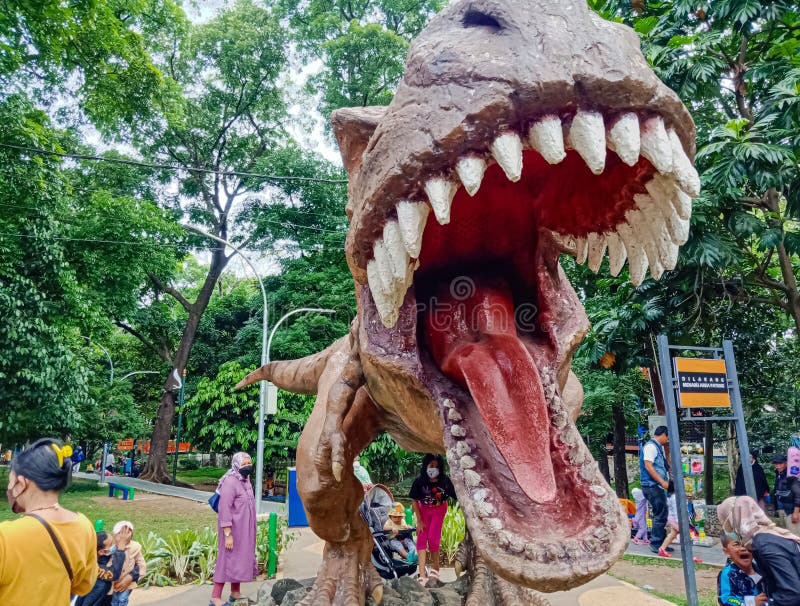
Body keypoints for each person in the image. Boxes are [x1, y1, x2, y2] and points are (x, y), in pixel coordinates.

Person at [0, 438, 96, 604]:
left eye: (11, 482)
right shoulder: (84, 526)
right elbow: (83, 586)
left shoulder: (5, 537)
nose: (9, 489)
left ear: (22, 483)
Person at [718, 496, 800, 606]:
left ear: (737, 519)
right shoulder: (775, 535)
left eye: (731, 525)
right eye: (736, 544)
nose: (742, 547)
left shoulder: (763, 543)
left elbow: (791, 593)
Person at [211, 452, 257, 606]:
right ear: (236, 465)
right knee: (226, 560)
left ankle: (235, 593)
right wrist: (228, 534)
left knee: (239, 559)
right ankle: (215, 597)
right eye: (244, 464)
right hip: (231, 530)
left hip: (245, 530)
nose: (247, 466)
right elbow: (224, 509)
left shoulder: (246, 479)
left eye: (249, 463)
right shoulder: (230, 482)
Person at [409, 454, 456, 586]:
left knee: (433, 538)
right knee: (422, 537)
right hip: (423, 510)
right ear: (426, 466)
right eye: (431, 466)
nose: (433, 469)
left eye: (436, 466)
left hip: (439, 510)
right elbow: (414, 499)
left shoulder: (445, 481)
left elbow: (458, 495)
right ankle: (422, 574)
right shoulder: (419, 481)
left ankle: (435, 567)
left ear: (440, 468)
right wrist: (419, 520)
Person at [640, 426, 671, 554]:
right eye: (667, 437)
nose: (668, 440)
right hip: (652, 486)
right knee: (660, 514)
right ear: (663, 434)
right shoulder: (650, 447)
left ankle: (662, 543)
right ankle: (656, 543)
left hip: (655, 486)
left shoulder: (657, 447)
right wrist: (662, 481)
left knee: (662, 513)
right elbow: (648, 466)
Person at [75, 530, 127, 606]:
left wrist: (132, 576)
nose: (115, 544)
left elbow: (134, 565)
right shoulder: (92, 566)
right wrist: (120, 550)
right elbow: (113, 574)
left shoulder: (105, 555)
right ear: (102, 552)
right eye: (112, 543)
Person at [717, 531, 768, 606]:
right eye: (736, 544)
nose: (743, 548)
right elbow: (725, 599)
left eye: (747, 543)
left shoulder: (761, 570)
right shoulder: (728, 574)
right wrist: (750, 602)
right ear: (726, 551)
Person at [110, 521, 145, 606]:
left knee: (122, 599)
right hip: (112, 582)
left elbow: (141, 564)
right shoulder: (111, 547)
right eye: (119, 533)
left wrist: (137, 575)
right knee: (113, 600)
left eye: (126, 533)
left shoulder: (134, 547)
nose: (122, 536)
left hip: (127, 582)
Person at [772, 454, 800, 536]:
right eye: (776, 464)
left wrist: (796, 512)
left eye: (780, 463)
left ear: (786, 463)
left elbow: (798, 495)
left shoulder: (791, 476)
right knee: (786, 534)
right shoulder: (778, 474)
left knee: (795, 535)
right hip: (781, 508)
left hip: (791, 510)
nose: (778, 466)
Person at [658, 482, 679, 558]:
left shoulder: (671, 496)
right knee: (673, 534)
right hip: (675, 518)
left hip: (672, 517)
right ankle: (662, 549)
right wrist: (678, 521)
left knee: (673, 534)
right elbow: (676, 510)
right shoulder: (675, 497)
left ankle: (662, 549)